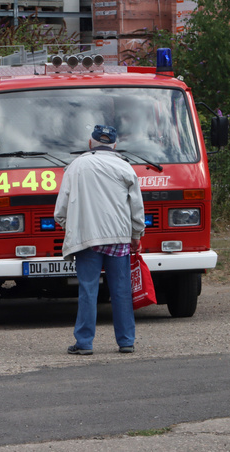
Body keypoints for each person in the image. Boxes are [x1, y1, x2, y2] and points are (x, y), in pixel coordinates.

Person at [60, 124, 145, 356]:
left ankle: (84, 343)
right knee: (121, 290)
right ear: (115, 145)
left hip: (87, 238)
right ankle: (126, 341)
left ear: (90, 143)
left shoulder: (75, 167)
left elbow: (61, 209)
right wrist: (136, 235)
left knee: (88, 290)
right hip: (118, 237)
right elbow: (136, 208)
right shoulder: (125, 167)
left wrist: (71, 227)